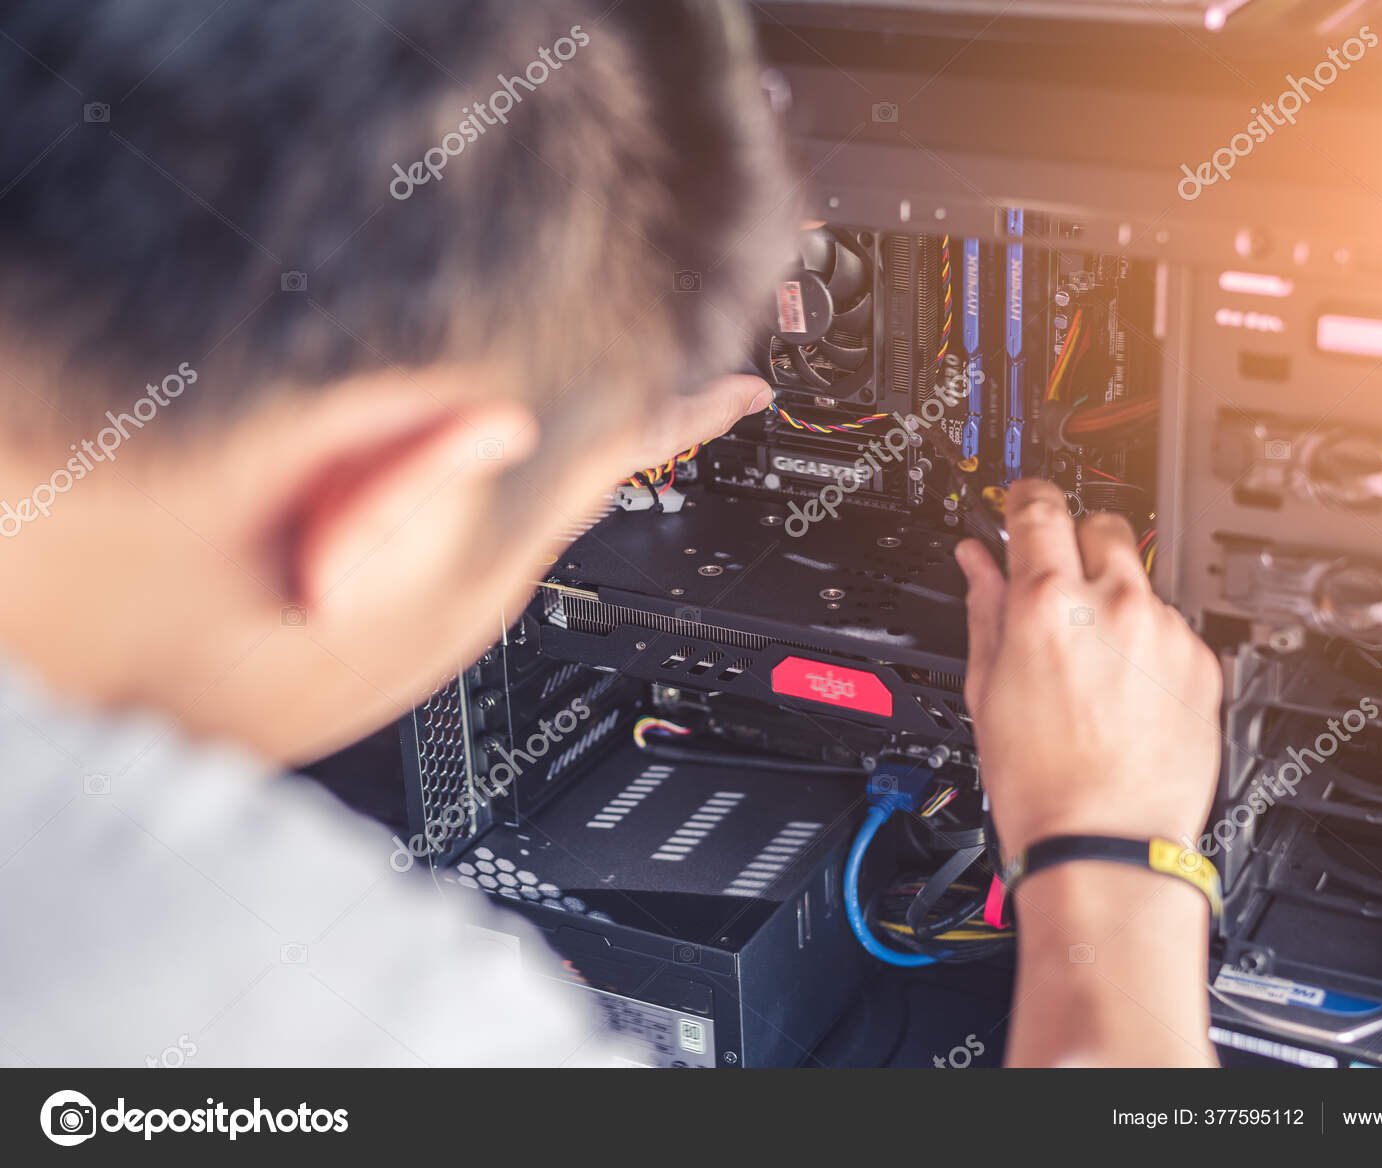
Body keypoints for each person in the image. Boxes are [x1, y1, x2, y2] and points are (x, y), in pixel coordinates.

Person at [0, 0, 1221, 1068]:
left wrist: (536, 468)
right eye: (550, 510)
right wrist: (1110, 846)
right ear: (387, 504)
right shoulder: (303, 1010)